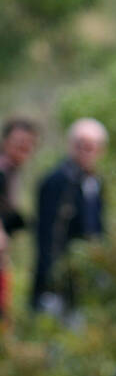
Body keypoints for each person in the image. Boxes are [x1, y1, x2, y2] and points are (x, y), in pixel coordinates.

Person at [31, 118, 108, 317]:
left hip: (86, 273)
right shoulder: (56, 181)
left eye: (92, 147)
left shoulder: (95, 180)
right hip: (58, 276)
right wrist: (50, 278)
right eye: (81, 146)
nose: (86, 152)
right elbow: (46, 233)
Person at [0, 117, 40, 321]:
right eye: (18, 141)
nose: (23, 147)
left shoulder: (13, 172)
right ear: (5, 141)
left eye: (28, 142)